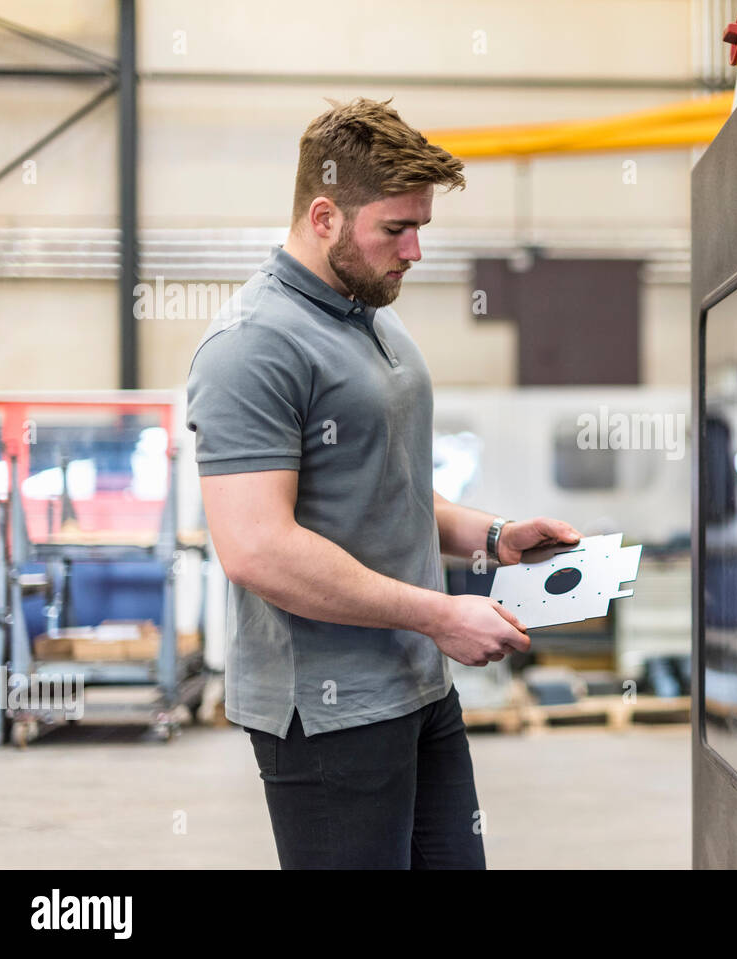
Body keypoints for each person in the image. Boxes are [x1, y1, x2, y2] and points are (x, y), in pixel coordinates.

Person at [186, 97, 582, 869]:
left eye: (421, 227)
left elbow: (388, 492)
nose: (415, 250)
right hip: (332, 715)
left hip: (418, 687)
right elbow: (257, 549)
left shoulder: (371, 315)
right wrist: (440, 613)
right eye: (396, 229)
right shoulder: (252, 347)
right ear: (325, 215)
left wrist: (494, 537)